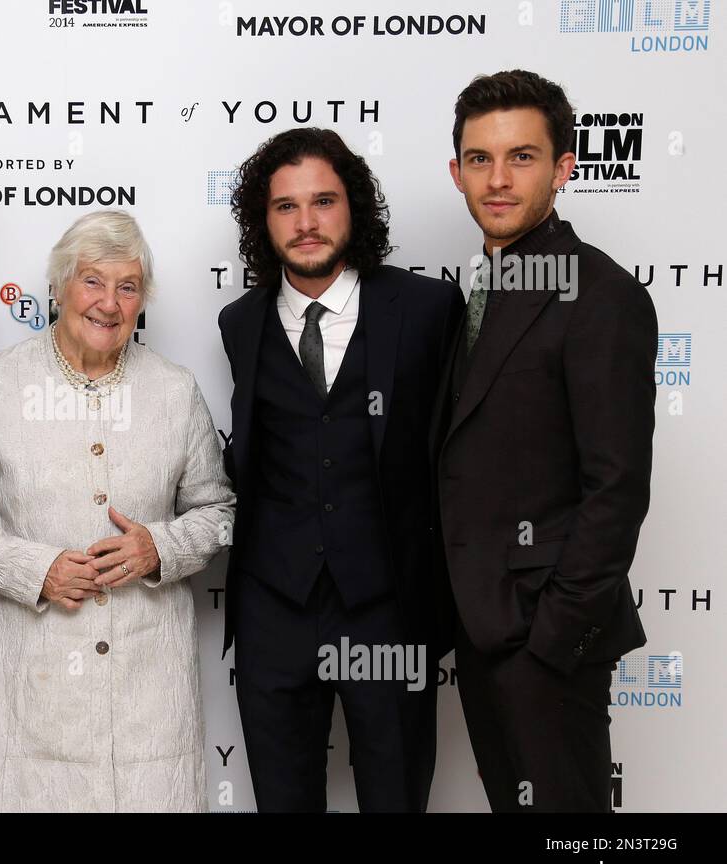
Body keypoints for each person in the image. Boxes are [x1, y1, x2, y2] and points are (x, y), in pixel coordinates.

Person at [220, 128, 465, 812]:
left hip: (388, 607)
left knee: (396, 798)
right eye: (285, 206)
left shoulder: (425, 308)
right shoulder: (239, 322)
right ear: (261, 221)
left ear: (352, 207)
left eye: (323, 201)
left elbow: (457, 453)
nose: (305, 223)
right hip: (275, 611)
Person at [0, 211, 235, 812]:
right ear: (58, 287)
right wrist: (37, 568)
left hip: (147, 693)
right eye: (92, 281)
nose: (109, 303)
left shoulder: (174, 389)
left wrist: (159, 547)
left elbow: (217, 510)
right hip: (27, 690)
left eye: (128, 286)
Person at [438, 70, 655, 812]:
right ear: (457, 170)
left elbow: (617, 487)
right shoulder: (481, 288)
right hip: (482, 631)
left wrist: (552, 638)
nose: (497, 180)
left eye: (522, 157)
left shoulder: (602, 297)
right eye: (479, 159)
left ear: (564, 168)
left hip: (547, 644)